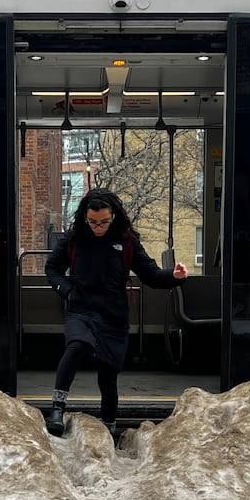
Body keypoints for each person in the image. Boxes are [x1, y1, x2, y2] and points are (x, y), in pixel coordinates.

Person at [43, 188, 188, 440]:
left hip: (113, 315)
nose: (98, 228)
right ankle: (57, 409)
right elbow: (52, 268)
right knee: (76, 346)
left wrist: (174, 277)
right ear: (85, 217)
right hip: (81, 307)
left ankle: (109, 425)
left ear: (113, 217)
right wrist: (67, 291)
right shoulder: (74, 238)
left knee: (108, 375)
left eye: (104, 222)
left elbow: (151, 275)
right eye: (93, 222)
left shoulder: (127, 241)